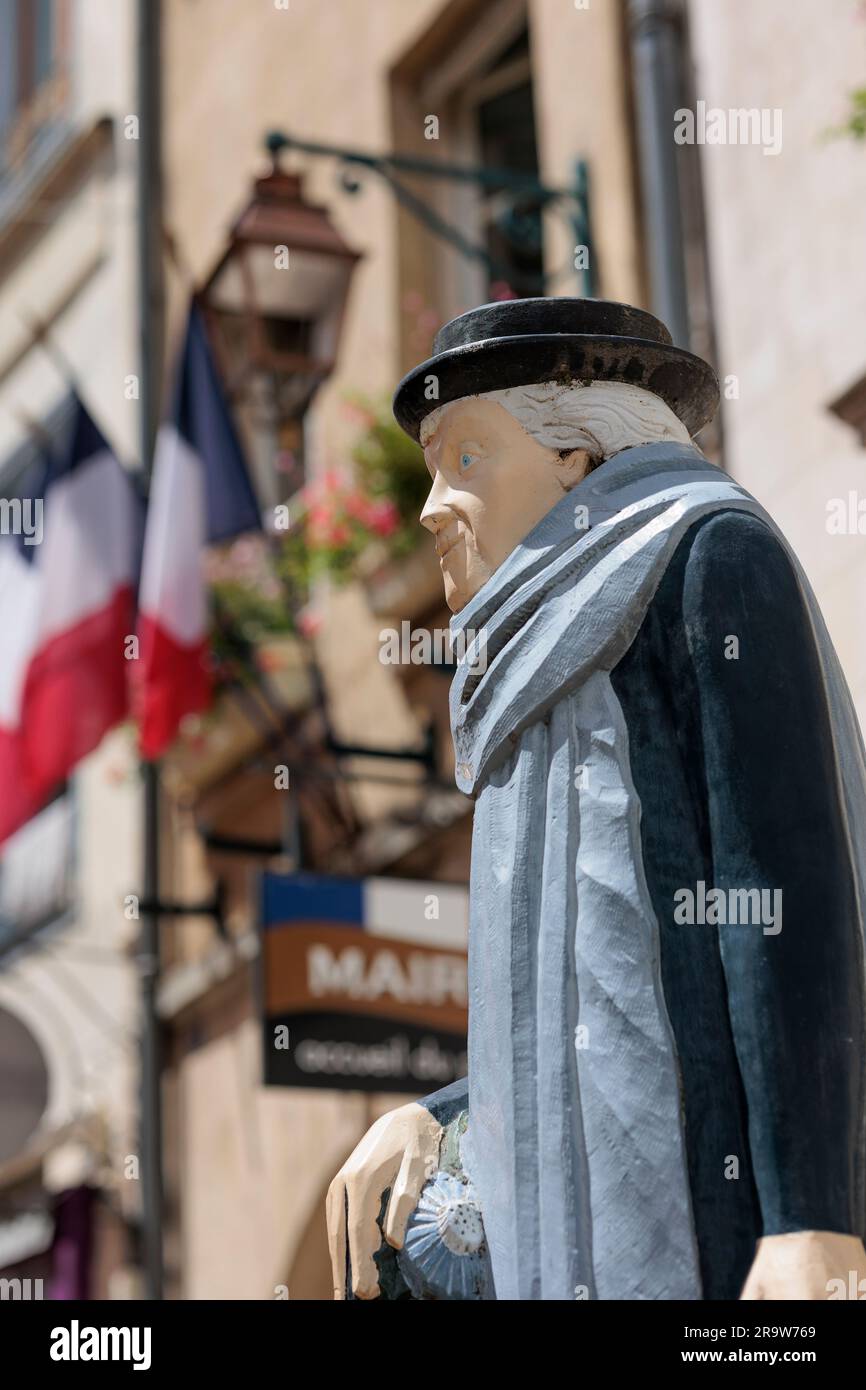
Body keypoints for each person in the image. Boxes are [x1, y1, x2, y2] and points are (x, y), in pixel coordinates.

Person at [327, 298, 866, 1301]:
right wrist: (442, 1117)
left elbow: (782, 899)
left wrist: (812, 1221)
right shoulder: (524, 676)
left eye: (467, 458)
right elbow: (578, 1019)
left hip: (726, 1240)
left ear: (575, 456)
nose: (431, 506)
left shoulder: (705, 554)